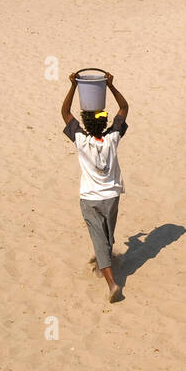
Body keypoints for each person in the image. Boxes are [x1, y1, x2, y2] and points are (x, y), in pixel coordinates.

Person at [61, 72, 129, 303]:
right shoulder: (112, 138)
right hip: (111, 196)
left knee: (100, 239)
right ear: (105, 122)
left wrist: (72, 86)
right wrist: (110, 84)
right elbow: (124, 108)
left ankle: (112, 284)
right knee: (108, 236)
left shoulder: (81, 139)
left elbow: (65, 113)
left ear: (86, 124)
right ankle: (105, 262)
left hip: (90, 198)